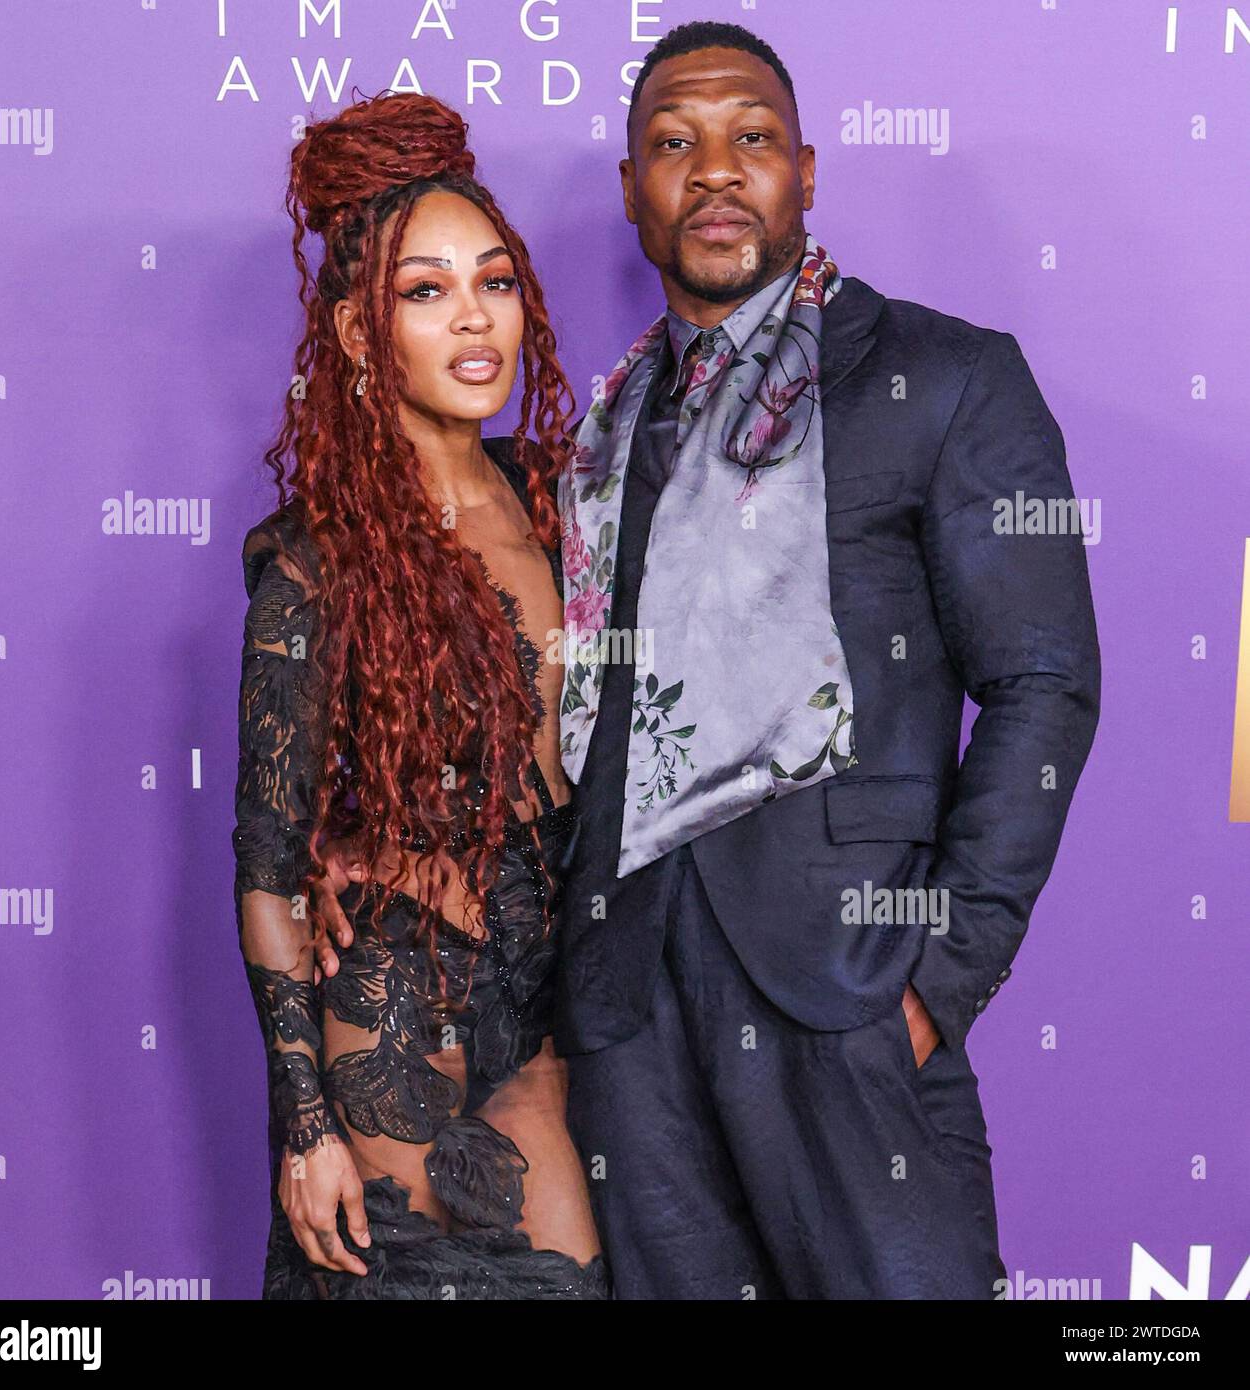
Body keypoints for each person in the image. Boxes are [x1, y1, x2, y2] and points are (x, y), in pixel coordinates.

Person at [549, 22, 1102, 1299]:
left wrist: (935, 977)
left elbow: (1043, 686)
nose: (716, 171)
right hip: (629, 1004)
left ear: (805, 171)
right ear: (635, 192)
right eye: (673, 145)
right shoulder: (607, 423)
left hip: (845, 987)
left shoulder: (945, 377)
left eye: (750, 139)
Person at [231, 90, 607, 1299]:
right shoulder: (316, 560)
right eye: (424, 291)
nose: (474, 320)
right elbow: (266, 860)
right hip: (404, 998)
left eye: (493, 281)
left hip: (546, 994)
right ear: (356, 331)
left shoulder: (562, 499)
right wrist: (304, 1127)